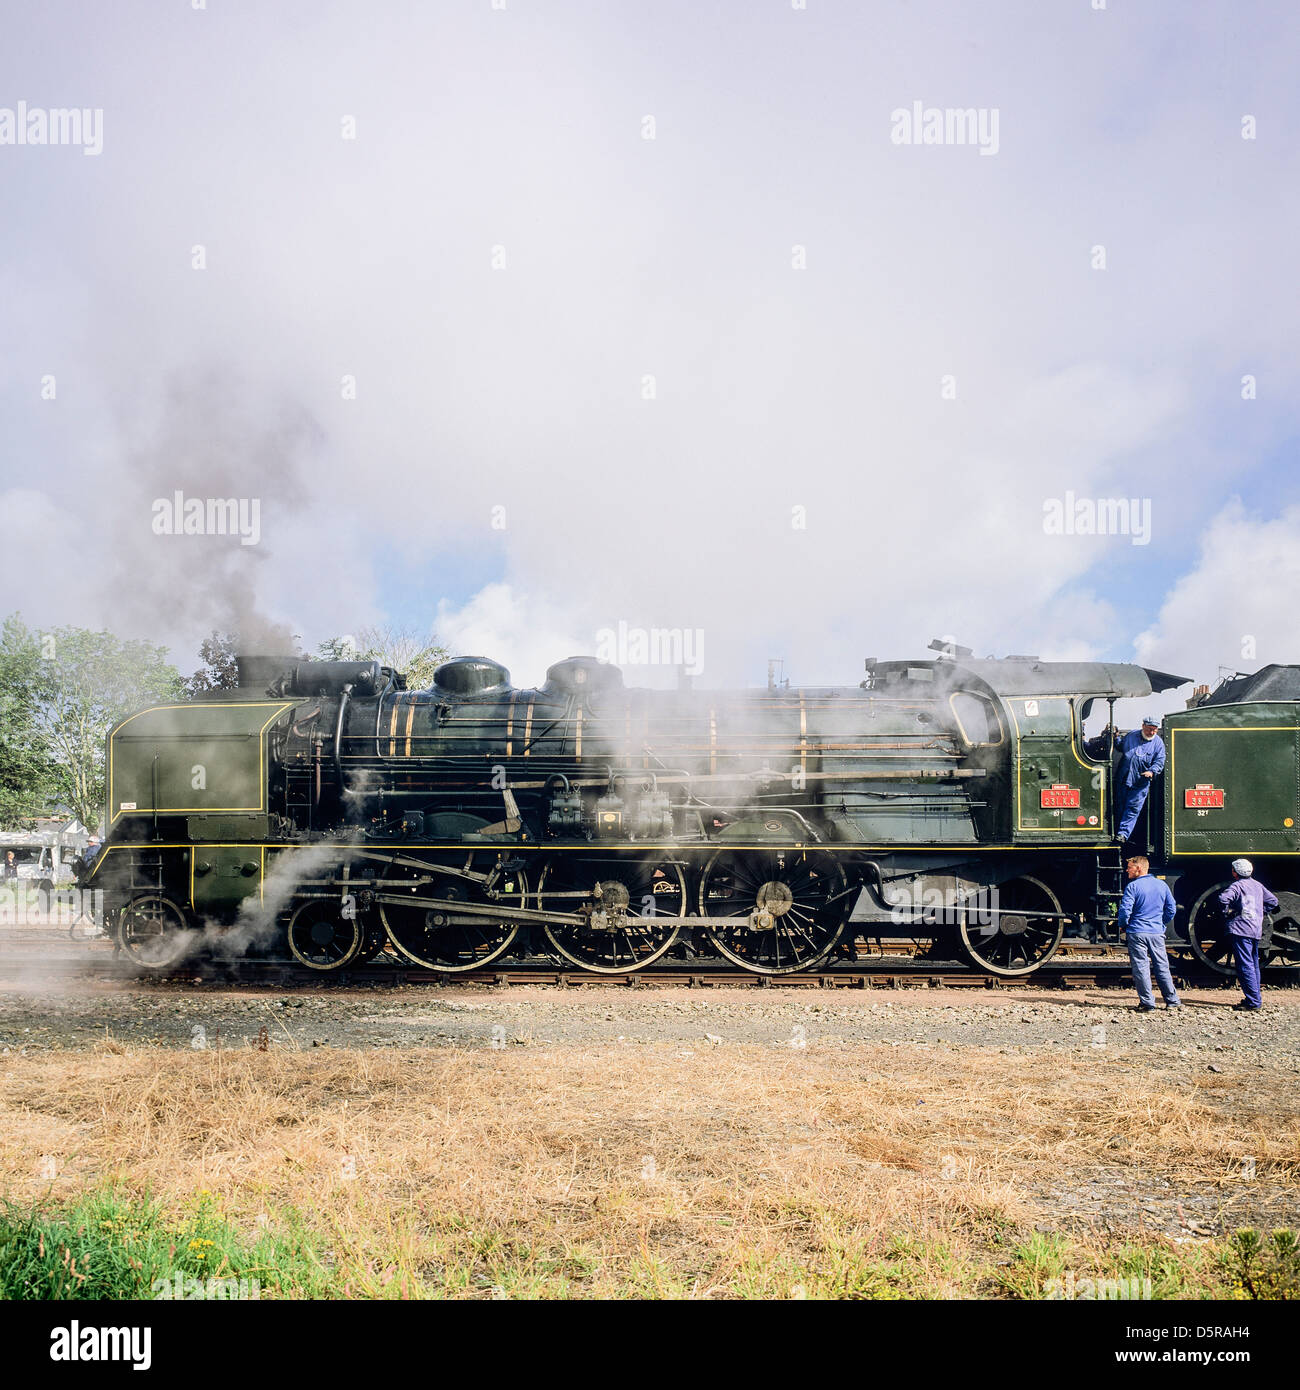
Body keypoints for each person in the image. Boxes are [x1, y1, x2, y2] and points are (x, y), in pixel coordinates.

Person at [1087, 715, 1166, 843]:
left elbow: (1159, 761)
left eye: (1154, 730)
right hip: (1123, 778)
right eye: (1149, 729)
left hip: (1140, 782)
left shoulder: (1158, 743)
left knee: (1132, 809)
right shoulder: (1132, 735)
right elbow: (1120, 746)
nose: (1151, 732)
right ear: (1143, 726)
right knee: (1118, 805)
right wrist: (1115, 736)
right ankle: (1115, 832)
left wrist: (1151, 771)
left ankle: (1123, 834)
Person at [1117, 854, 1180, 1012]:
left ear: (1138, 869)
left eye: (1129, 867)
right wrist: (1161, 923)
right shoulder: (1162, 885)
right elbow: (1171, 908)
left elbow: (1125, 910)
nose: (1126, 870)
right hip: (1156, 932)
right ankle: (1172, 1001)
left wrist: (1123, 925)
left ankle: (1148, 1003)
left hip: (1137, 931)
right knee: (1162, 966)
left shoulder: (1132, 887)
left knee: (1141, 968)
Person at [1217, 859, 1277, 1012]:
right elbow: (1273, 901)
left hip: (1241, 928)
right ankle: (1255, 998)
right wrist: (1261, 911)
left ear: (1235, 872)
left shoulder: (1237, 885)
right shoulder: (1258, 885)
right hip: (1255, 929)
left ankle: (1253, 1002)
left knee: (1245, 965)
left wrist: (1227, 912)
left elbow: (1223, 899)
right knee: (1253, 964)